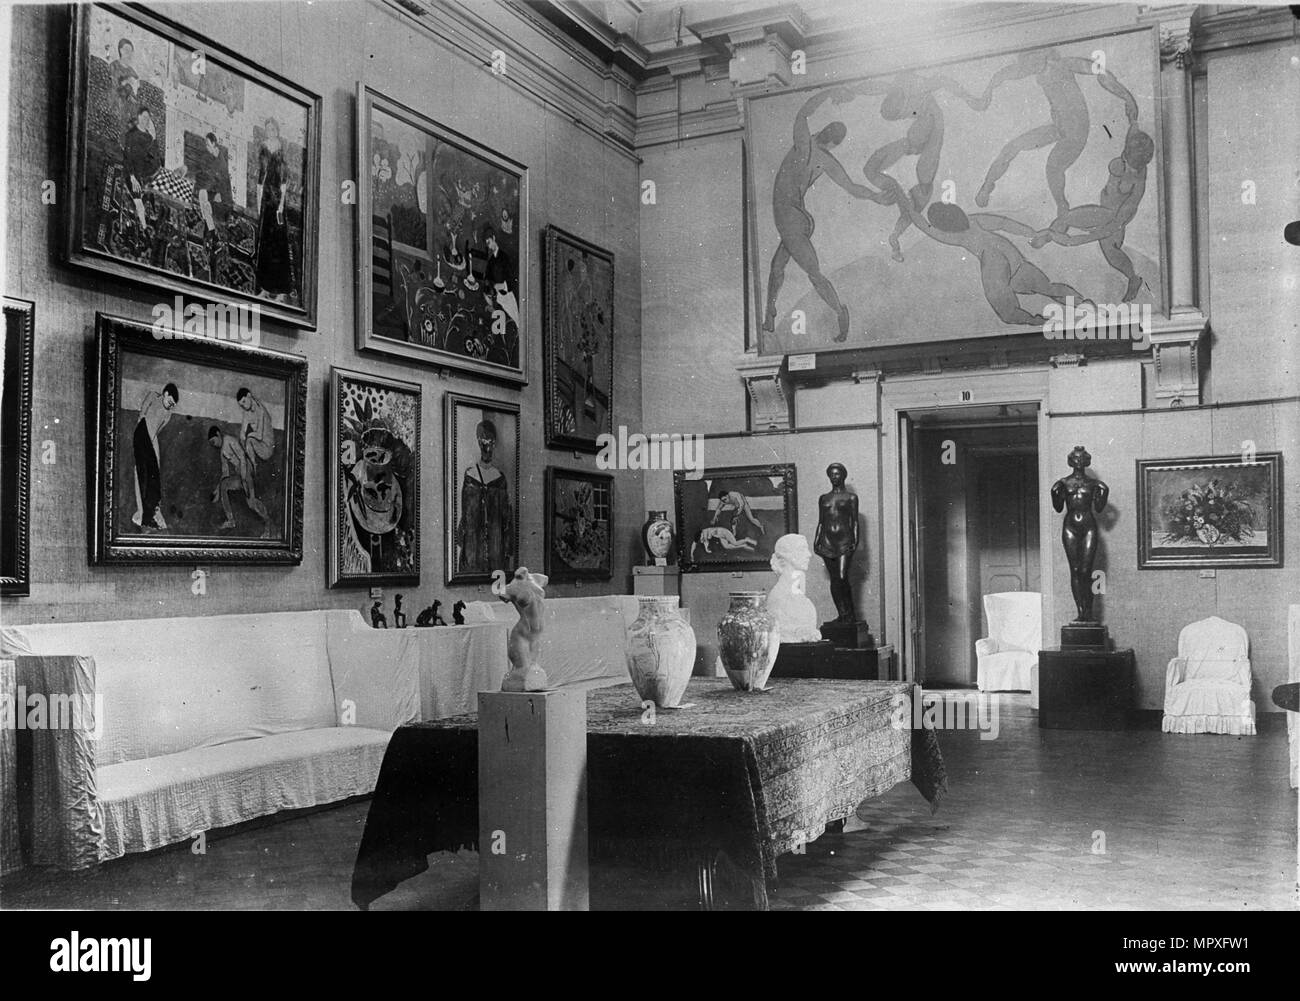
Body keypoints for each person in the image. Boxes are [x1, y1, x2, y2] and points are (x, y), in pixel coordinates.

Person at [877, 174, 1086, 326]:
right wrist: (1032, 233)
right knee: (1049, 288)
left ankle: (1039, 323)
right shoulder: (974, 220)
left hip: (993, 262)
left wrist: (902, 199)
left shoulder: (953, 235)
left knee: (1007, 313)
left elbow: (921, 223)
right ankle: (1084, 306)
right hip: (1011, 254)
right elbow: (1004, 223)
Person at [762, 87, 881, 341]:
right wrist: (874, 195)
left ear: (824, 134)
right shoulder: (825, 158)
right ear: (835, 143)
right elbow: (852, 187)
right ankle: (770, 313)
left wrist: (829, 93)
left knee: (812, 273)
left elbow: (803, 112)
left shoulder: (806, 144)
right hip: (794, 217)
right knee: (777, 266)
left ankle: (840, 312)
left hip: (791, 217)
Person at [972, 48, 1140, 214]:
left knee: (1053, 167)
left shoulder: (1063, 65)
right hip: (1058, 128)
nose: (1029, 66)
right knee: (1013, 146)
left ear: (1044, 54)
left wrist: (1126, 96)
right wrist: (987, 92)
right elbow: (1005, 74)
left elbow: (1099, 71)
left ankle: (1062, 206)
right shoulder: (1033, 67)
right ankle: (987, 186)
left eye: (1033, 59)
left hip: (1076, 133)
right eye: (1027, 62)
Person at [850, 71, 987, 262]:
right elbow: (871, 87)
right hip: (915, 136)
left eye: (900, 114)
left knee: (922, 186)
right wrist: (850, 90)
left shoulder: (919, 88)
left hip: (931, 133)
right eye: (898, 117)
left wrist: (971, 99)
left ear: (905, 101)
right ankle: (897, 210)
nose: (901, 117)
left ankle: (896, 234)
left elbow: (944, 79)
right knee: (870, 169)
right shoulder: (892, 88)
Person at [1030, 124, 1154, 302]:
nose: (1125, 160)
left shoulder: (1136, 187)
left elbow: (1114, 223)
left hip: (1111, 219)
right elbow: (1132, 129)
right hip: (1104, 210)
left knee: (1112, 254)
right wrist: (1131, 114)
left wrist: (1084, 238)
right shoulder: (1129, 156)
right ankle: (1050, 235)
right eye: (1126, 152)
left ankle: (1134, 280)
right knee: (1067, 218)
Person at [1050, 445, 1109, 623]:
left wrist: (1104, 493)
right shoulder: (1063, 482)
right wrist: (1054, 494)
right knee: (1075, 570)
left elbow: (1099, 509)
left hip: (1088, 526)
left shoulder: (1092, 484)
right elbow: (1059, 508)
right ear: (1070, 461)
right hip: (1070, 527)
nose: (1078, 461)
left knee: (1086, 570)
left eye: (1082, 458)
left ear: (1086, 461)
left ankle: (1089, 613)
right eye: (1075, 458)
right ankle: (1081, 612)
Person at [457, 418, 513, 574]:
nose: (487, 446)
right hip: (473, 546)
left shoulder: (500, 478)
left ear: (494, 444)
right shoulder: (470, 475)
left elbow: (506, 517)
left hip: (495, 547)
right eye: (483, 441)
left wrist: (506, 547)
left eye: (490, 442)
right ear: (478, 442)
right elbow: (466, 514)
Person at [254, 117, 294, 302]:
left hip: (278, 202)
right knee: (265, 244)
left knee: (278, 246)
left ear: (277, 131)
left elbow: (284, 183)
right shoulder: (263, 149)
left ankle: (281, 291)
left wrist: (280, 205)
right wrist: (258, 202)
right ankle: (264, 288)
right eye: (267, 128)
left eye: (272, 128)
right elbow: (260, 178)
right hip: (266, 202)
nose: (270, 131)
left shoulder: (281, 152)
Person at [814, 463, 859, 623]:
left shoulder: (851, 497)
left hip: (844, 541)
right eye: (831, 474)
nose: (834, 477)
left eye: (837, 474)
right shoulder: (824, 498)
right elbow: (821, 522)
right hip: (827, 541)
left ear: (843, 476)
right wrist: (816, 541)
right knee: (834, 579)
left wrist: (855, 541)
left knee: (841, 577)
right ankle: (842, 614)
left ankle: (850, 614)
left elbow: (854, 522)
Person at [207, 426, 271, 535]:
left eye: (213, 441)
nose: (214, 445)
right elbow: (225, 473)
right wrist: (217, 491)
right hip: (240, 475)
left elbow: (242, 457)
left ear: (218, 434)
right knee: (224, 486)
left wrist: (244, 478)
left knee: (251, 503)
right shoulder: (222, 452)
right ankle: (231, 520)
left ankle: (268, 525)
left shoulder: (229, 440)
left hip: (246, 470)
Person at [131, 383, 178, 531]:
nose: (170, 406)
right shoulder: (153, 396)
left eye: (173, 405)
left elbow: (158, 429)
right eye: (169, 401)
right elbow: (143, 414)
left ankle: (150, 515)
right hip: (141, 434)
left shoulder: (168, 414)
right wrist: (141, 424)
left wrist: (151, 443)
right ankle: (145, 516)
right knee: (143, 475)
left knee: (153, 478)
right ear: (165, 394)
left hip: (150, 440)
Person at [767, 534, 822, 643]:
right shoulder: (779, 597)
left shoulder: (798, 585)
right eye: (802, 550)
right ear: (787, 555)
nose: (809, 555)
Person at [123, 107, 159, 234]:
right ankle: (144, 229)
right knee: (139, 204)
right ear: (138, 117)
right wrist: (132, 177)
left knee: (157, 168)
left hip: (143, 170)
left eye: (148, 119)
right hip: (132, 172)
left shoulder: (148, 137)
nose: (145, 121)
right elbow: (127, 158)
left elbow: (153, 155)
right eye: (143, 117)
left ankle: (144, 192)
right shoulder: (130, 135)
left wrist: (154, 139)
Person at [236, 387, 273, 473]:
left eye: (244, 401)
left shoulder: (260, 410)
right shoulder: (246, 412)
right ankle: (250, 467)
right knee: (244, 443)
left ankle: (254, 468)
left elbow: (259, 436)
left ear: (249, 395)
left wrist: (248, 435)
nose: (244, 406)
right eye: (242, 405)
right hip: (256, 444)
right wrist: (242, 439)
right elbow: (242, 432)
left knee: (249, 440)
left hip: (267, 447)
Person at [690, 526, 758, 562]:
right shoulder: (701, 536)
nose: (701, 540)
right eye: (700, 540)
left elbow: (707, 539)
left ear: (701, 534)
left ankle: (747, 539)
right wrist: (691, 554)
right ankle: (743, 545)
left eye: (701, 538)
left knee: (735, 543)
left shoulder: (705, 532)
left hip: (725, 532)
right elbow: (695, 544)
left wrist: (713, 533)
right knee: (727, 546)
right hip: (721, 536)